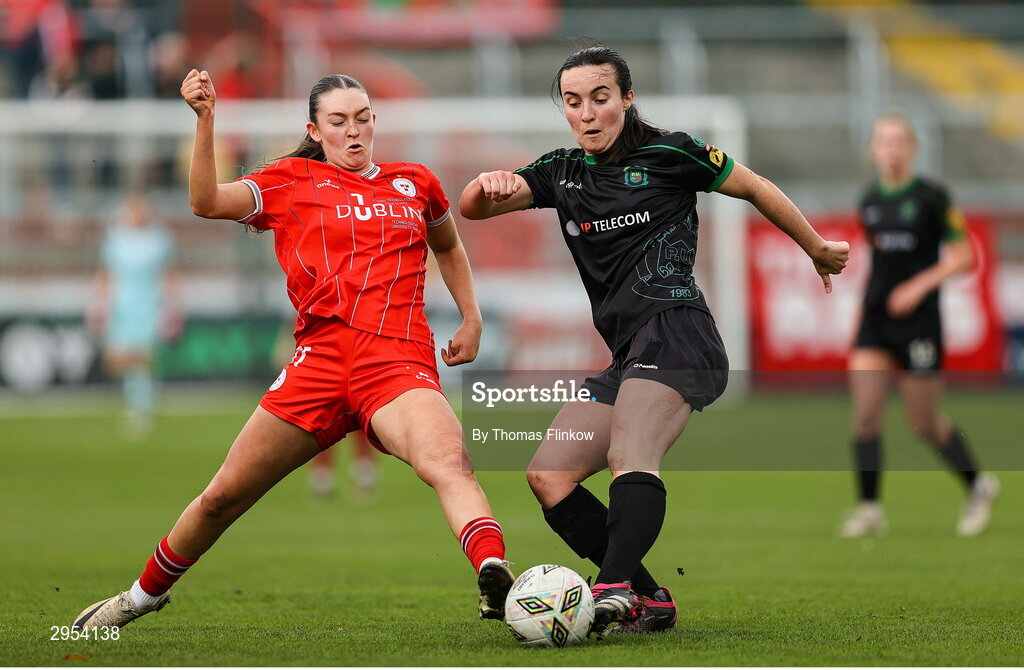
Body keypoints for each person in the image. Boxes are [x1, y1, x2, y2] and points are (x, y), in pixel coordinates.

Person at [73, 69, 513, 631]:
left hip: (398, 363)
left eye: (362, 118)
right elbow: (205, 201)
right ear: (315, 129)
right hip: (319, 365)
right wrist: (207, 120)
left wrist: (471, 317)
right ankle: (138, 598)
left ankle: (494, 574)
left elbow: (447, 245)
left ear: (374, 121)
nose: (353, 131)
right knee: (220, 499)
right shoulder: (289, 181)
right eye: (338, 122)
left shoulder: (415, 182)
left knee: (449, 462)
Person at [459, 44, 849, 635]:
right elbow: (475, 209)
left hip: (678, 332)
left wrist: (816, 247)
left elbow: (753, 186)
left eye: (599, 98)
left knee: (629, 457)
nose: (587, 113)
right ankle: (645, 594)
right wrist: (482, 185)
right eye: (573, 102)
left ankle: (610, 587)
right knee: (549, 475)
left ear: (626, 98)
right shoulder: (562, 172)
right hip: (627, 353)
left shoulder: (671, 152)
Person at [840, 113, 999, 539]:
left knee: (923, 422)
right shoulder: (869, 199)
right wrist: (860, 312)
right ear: (873, 149)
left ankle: (978, 486)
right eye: (883, 142)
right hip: (875, 319)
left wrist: (918, 285)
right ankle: (870, 508)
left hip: (919, 324)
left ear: (912, 148)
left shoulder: (932, 196)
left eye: (898, 142)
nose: (891, 149)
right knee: (865, 418)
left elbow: (966, 256)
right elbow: (878, 263)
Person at [86, 192, 181, 439]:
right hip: (122, 303)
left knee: (143, 355)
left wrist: (172, 304)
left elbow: (169, 272)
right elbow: (106, 272)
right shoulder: (116, 237)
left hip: (150, 302)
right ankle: (136, 400)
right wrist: (98, 302)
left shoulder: (159, 238)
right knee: (121, 357)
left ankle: (142, 406)